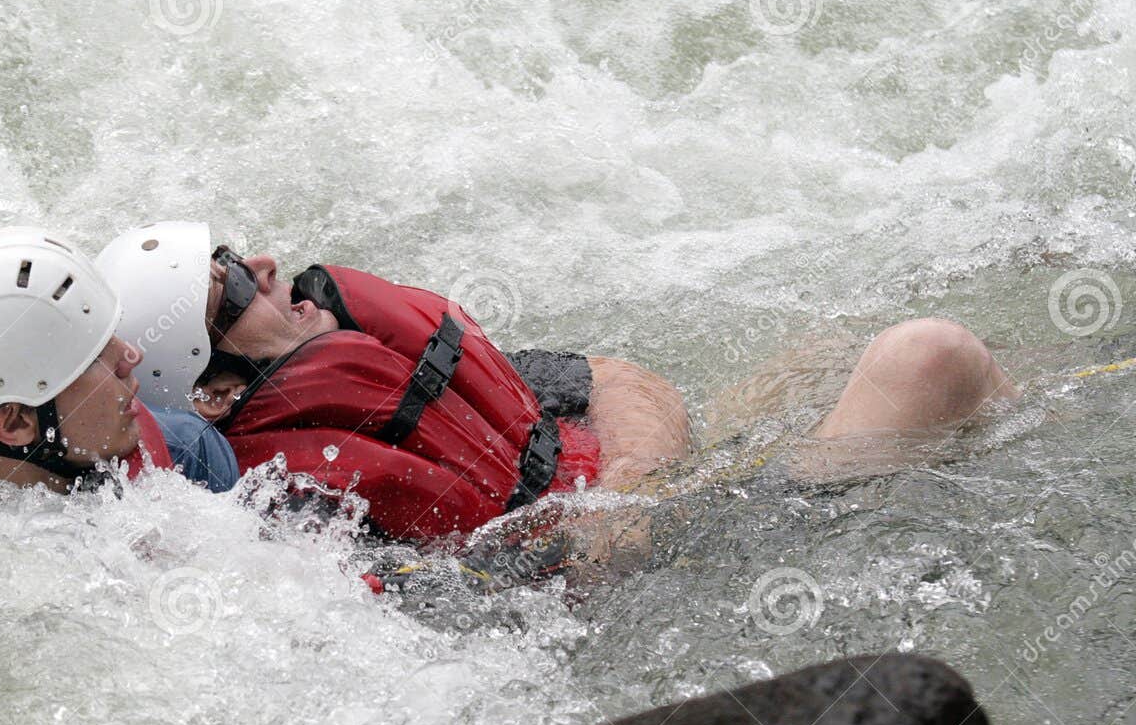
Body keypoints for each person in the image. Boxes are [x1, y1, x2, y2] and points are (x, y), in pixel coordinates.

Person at [95, 221, 1019, 555]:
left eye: (236, 251)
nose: (264, 264)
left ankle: (1021, 392)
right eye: (234, 285)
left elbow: (618, 377)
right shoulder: (299, 509)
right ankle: (1030, 418)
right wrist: (629, 514)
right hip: (694, 557)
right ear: (210, 395)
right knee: (925, 357)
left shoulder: (377, 357)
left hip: (648, 494)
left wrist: (632, 485)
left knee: (822, 348)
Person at [0, 227, 238, 494]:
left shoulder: (189, 450)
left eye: (110, 336)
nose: (131, 354)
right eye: (93, 358)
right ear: (15, 422)